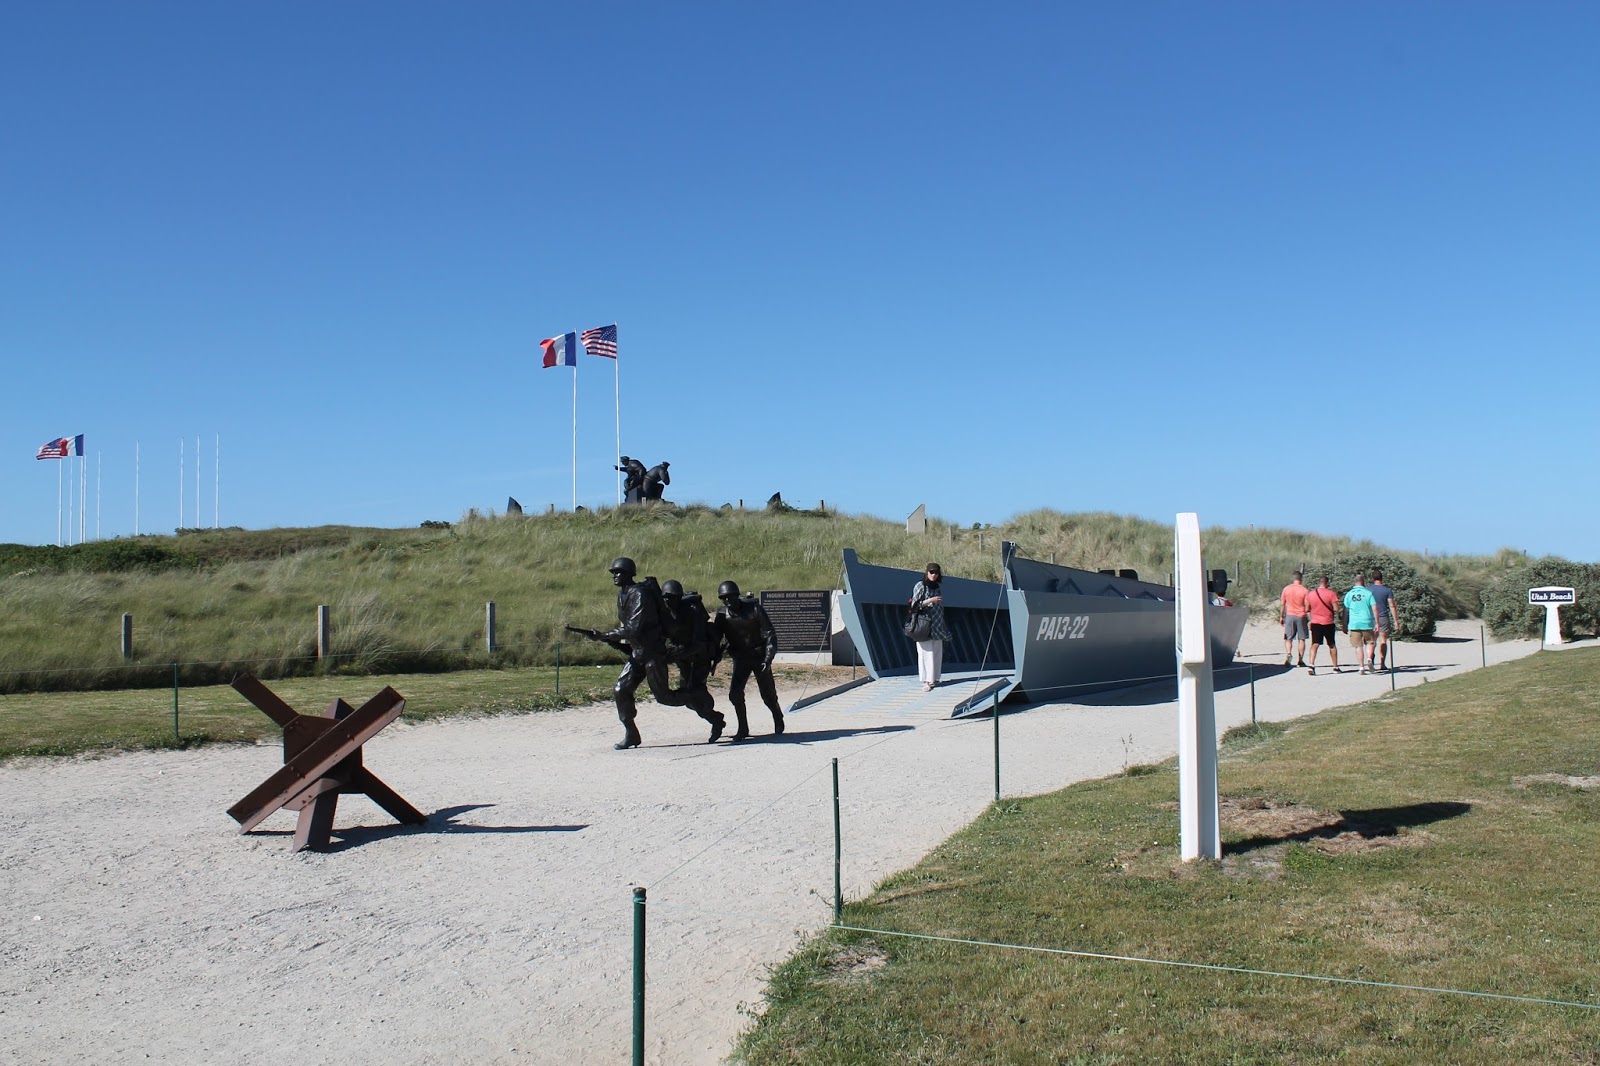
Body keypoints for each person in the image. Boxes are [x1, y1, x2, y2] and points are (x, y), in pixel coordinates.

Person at [581, 556, 678, 750]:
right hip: (638, 653)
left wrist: (604, 635)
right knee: (621, 690)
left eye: (619, 573)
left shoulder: (640, 594)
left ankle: (705, 708)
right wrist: (607, 637)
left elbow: (634, 628)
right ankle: (631, 733)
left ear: (629, 575)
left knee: (665, 697)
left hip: (653, 653)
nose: (615, 576)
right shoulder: (622, 595)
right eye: (613, 573)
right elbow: (626, 628)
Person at [712, 580, 785, 740]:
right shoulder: (722, 616)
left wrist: (768, 658)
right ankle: (743, 728)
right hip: (741, 658)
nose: (727, 601)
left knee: (768, 695)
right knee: (735, 694)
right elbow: (716, 640)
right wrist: (714, 658)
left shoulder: (755, 609)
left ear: (737, 596)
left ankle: (777, 715)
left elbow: (769, 634)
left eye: (730, 597)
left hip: (759, 656)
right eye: (723, 599)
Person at [660, 579, 725, 743]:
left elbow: (699, 643)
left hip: (700, 657)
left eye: (672, 597)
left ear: (679, 597)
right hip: (684, 659)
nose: (668, 600)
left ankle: (715, 719)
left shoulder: (693, 611)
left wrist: (676, 654)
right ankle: (715, 718)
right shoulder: (665, 612)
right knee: (689, 700)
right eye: (665, 597)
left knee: (694, 692)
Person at [909, 563, 952, 691]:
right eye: (931, 572)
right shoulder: (920, 586)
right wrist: (930, 601)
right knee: (925, 653)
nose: (933, 575)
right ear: (927, 573)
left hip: (937, 623)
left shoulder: (937, 586)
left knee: (937, 652)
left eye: (936, 573)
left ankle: (934, 678)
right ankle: (926, 680)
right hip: (924, 624)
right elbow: (914, 606)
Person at [1305, 575, 1342, 675]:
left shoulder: (1311, 594)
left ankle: (1311, 665)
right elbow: (1336, 609)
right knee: (1331, 645)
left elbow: (1307, 609)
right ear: (1327, 583)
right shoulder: (1331, 594)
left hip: (1315, 622)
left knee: (1315, 644)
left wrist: (1310, 619)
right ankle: (1335, 667)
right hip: (1328, 622)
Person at [1343, 572, 1379, 674]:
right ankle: (1369, 659)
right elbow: (1374, 608)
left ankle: (1361, 667)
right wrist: (1377, 622)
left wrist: (1344, 624)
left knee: (1358, 646)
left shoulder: (1349, 594)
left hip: (1354, 623)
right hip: (1366, 621)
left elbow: (1346, 610)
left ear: (1354, 583)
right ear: (1363, 583)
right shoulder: (1368, 593)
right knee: (1370, 642)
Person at [1369, 570, 1400, 671]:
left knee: (1372, 640)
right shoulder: (1387, 590)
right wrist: (1396, 621)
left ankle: (1370, 659)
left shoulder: (1368, 590)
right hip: (1383, 617)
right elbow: (1392, 606)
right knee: (1383, 640)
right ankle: (1382, 663)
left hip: (1371, 617)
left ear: (1372, 578)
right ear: (1382, 578)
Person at [1279, 571, 1311, 668]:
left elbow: (1282, 603)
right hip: (1301, 615)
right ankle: (1300, 660)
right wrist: (1308, 616)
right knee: (1301, 639)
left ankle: (1289, 653)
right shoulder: (1305, 590)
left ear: (1293, 578)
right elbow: (1307, 606)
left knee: (1288, 638)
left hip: (1290, 614)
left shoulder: (1286, 589)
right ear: (1301, 579)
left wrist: (1281, 616)